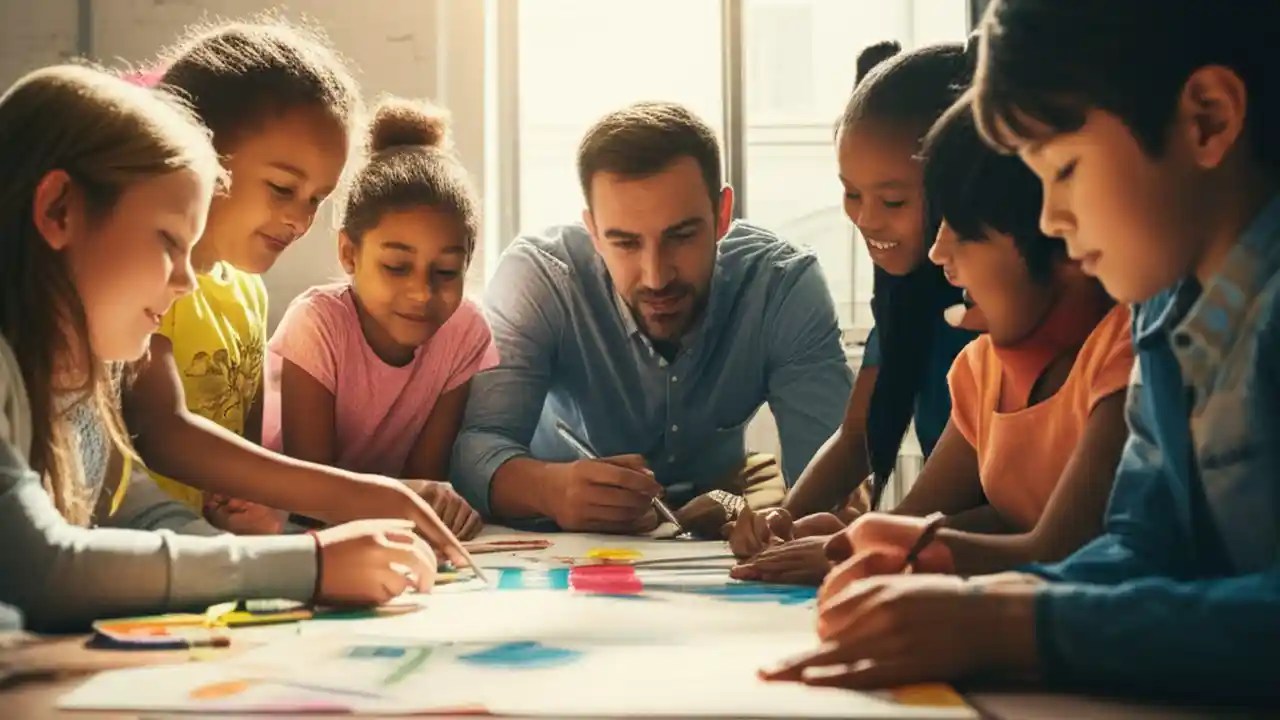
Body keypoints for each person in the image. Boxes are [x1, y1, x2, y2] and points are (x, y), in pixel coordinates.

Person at [764, 0, 1280, 700]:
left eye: (1062, 170)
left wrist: (1015, 621)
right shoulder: (1163, 319)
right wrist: (955, 577)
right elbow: (1137, 553)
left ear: (1207, 120)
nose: (1048, 220)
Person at [0, 65, 436, 632]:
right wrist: (310, 565)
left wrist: (282, 568)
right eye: (168, 242)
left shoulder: (80, 380)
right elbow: (41, 567)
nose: (186, 281)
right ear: (60, 210)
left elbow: (136, 511)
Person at [731, 98, 1132, 584]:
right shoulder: (978, 370)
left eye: (963, 231)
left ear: (1060, 232)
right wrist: (847, 532)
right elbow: (917, 518)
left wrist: (876, 550)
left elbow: (1060, 547)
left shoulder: (1124, 354)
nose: (939, 251)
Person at [105, 18, 470, 550]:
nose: (300, 221)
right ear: (195, 149)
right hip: (135, 550)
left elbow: (249, 464)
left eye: (317, 199)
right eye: (282, 188)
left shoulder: (248, 292)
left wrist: (266, 517)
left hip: (208, 553)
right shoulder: (149, 283)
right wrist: (362, 496)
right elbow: (163, 432)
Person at [452, 101, 851, 534]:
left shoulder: (782, 287)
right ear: (594, 231)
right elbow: (476, 447)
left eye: (681, 236)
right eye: (624, 243)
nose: (657, 276)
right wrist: (550, 489)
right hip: (564, 542)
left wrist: (761, 516)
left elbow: (838, 479)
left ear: (722, 215)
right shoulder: (540, 278)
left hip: (718, 530)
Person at [263, 97, 492, 539]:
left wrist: (440, 502)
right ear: (349, 252)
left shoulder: (465, 329)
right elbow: (313, 494)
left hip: (384, 524)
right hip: (291, 525)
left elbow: (428, 478)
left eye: (446, 271)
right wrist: (413, 500)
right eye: (396, 267)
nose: (423, 292)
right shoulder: (317, 323)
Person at [771, 41, 978, 525]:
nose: (864, 220)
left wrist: (871, 539)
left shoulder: (1002, 307)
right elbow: (858, 436)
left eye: (893, 202)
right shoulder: (908, 290)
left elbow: (1019, 517)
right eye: (850, 192)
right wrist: (783, 520)